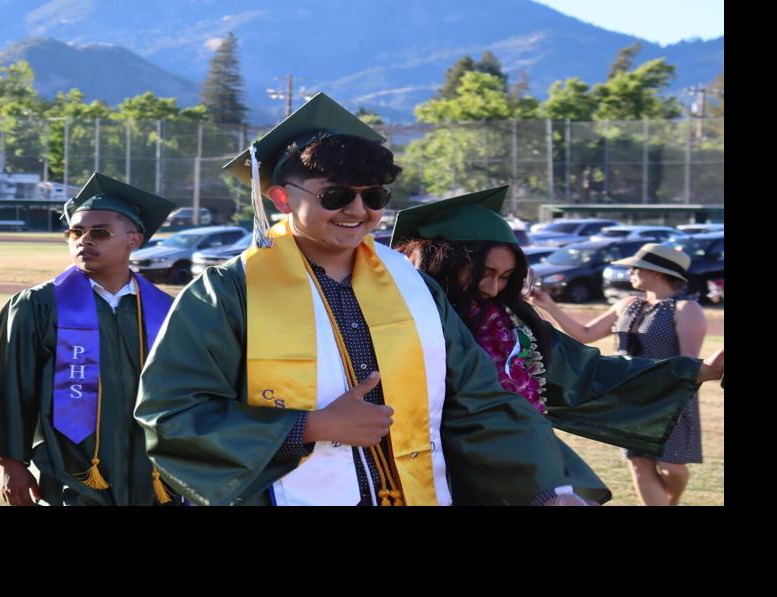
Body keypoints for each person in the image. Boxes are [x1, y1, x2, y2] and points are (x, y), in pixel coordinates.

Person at [134, 94, 599, 505]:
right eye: (335, 195)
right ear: (279, 197)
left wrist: (548, 491)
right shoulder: (228, 292)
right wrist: (307, 428)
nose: (358, 211)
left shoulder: (415, 287)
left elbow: (480, 401)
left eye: (373, 195)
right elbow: (172, 414)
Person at [390, 186, 702, 461]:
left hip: (505, 463)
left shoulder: (513, 324)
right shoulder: (398, 316)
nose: (493, 288)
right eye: (485, 273)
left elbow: (586, 370)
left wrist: (700, 370)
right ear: (444, 262)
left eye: (505, 277)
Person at [0, 173, 182, 506]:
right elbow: (11, 387)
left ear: (134, 240)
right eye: (75, 231)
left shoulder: (166, 310)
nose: (84, 240)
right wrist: (11, 463)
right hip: (70, 471)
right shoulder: (37, 306)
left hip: (151, 474)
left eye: (100, 232)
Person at [534, 242, 709, 506]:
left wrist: (675, 396)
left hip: (669, 395)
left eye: (636, 268)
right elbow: (586, 334)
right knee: (639, 463)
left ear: (657, 273)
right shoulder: (627, 303)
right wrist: (549, 307)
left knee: (670, 467)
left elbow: (690, 363)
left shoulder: (686, 309)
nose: (630, 273)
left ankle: (672, 500)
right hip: (629, 393)